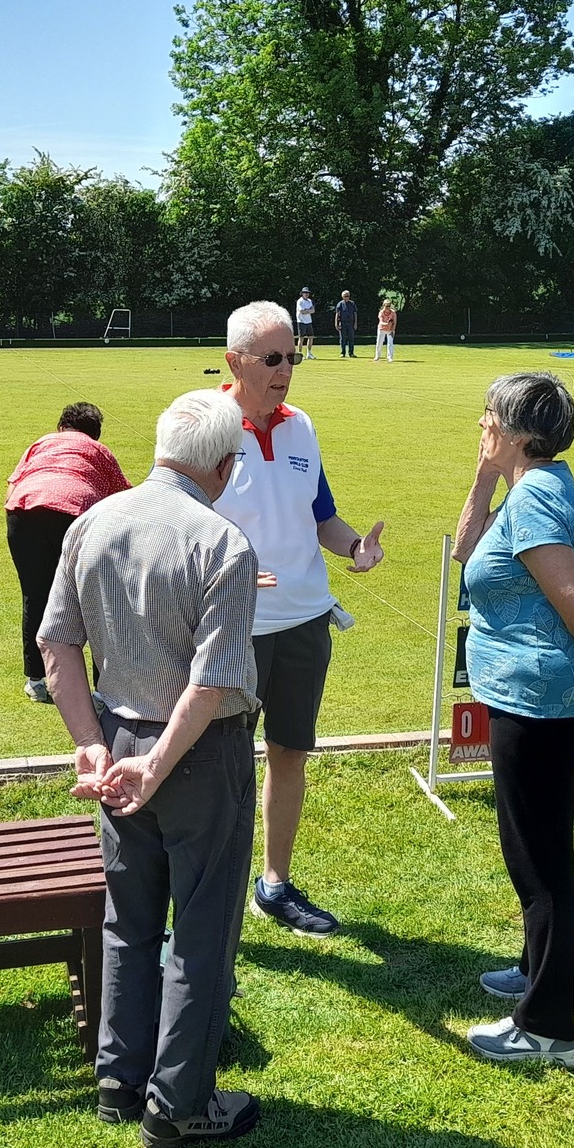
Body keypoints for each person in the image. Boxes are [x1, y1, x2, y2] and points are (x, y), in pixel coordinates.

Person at [38, 389, 265, 1148]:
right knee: (202, 930)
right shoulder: (222, 542)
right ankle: (177, 1105)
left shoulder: (93, 522)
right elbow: (211, 683)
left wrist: (93, 745)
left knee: (129, 921)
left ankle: (119, 1079)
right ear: (226, 466)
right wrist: (158, 765)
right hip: (197, 756)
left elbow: (56, 646)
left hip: (119, 740)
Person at [451, 371, 574, 1067]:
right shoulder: (534, 486)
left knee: (539, 865)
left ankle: (549, 1027)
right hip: (539, 699)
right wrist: (482, 476)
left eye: (489, 418)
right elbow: (466, 552)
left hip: (541, 704)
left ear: (521, 434)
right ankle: (553, 972)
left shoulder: (533, 501)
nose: (481, 424)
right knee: (544, 851)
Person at [217, 300, 385, 937]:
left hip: (305, 623)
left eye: (293, 356)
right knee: (219, 763)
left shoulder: (301, 427)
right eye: (273, 359)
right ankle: (211, 896)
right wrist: (225, 577)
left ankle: (274, 884)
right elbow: (173, 522)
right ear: (235, 361)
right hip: (231, 627)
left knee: (289, 753)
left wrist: (353, 549)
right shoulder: (200, 423)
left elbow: (321, 516)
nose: (287, 369)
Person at [5, 402, 132, 704]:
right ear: (95, 434)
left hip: (22, 513)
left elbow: (11, 487)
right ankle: (104, 689)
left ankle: (36, 681)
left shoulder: (41, 443)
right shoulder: (98, 450)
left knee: (36, 598)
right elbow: (123, 498)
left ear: (62, 426)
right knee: (97, 600)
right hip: (76, 514)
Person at [334, 290, 359, 359]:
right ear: (342, 297)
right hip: (342, 323)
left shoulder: (352, 303)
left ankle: (351, 353)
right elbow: (337, 314)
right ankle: (342, 353)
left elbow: (355, 314)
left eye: (348, 296)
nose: (347, 297)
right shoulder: (340, 304)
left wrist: (355, 323)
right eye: (345, 296)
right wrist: (336, 323)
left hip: (351, 323)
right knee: (342, 339)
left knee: (351, 338)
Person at [294, 287, 317, 358]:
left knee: (310, 337)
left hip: (309, 321)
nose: (306, 294)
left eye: (307, 293)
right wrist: (308, 310)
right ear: (302, 294)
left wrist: (307, 310)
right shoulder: (300, 301)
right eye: (305, 293)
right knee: (301, 338)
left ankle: (309, 353)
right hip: (301, 321)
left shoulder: (309, 301)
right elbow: (302, 311)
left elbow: (313, 310)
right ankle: (300, 353)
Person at [373, 297, 397, 363]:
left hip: (390, 330)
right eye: (386, 306)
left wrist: (393, 330)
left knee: (390, 344)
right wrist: (387, 323)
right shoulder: (381, 312)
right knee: (379, 343)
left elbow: (395, 322)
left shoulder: (393, 313)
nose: (388, 307)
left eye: (389, 306)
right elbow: (381, 321)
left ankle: (390, 357)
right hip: (381, 329)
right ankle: (377, 356)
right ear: (383, 306)